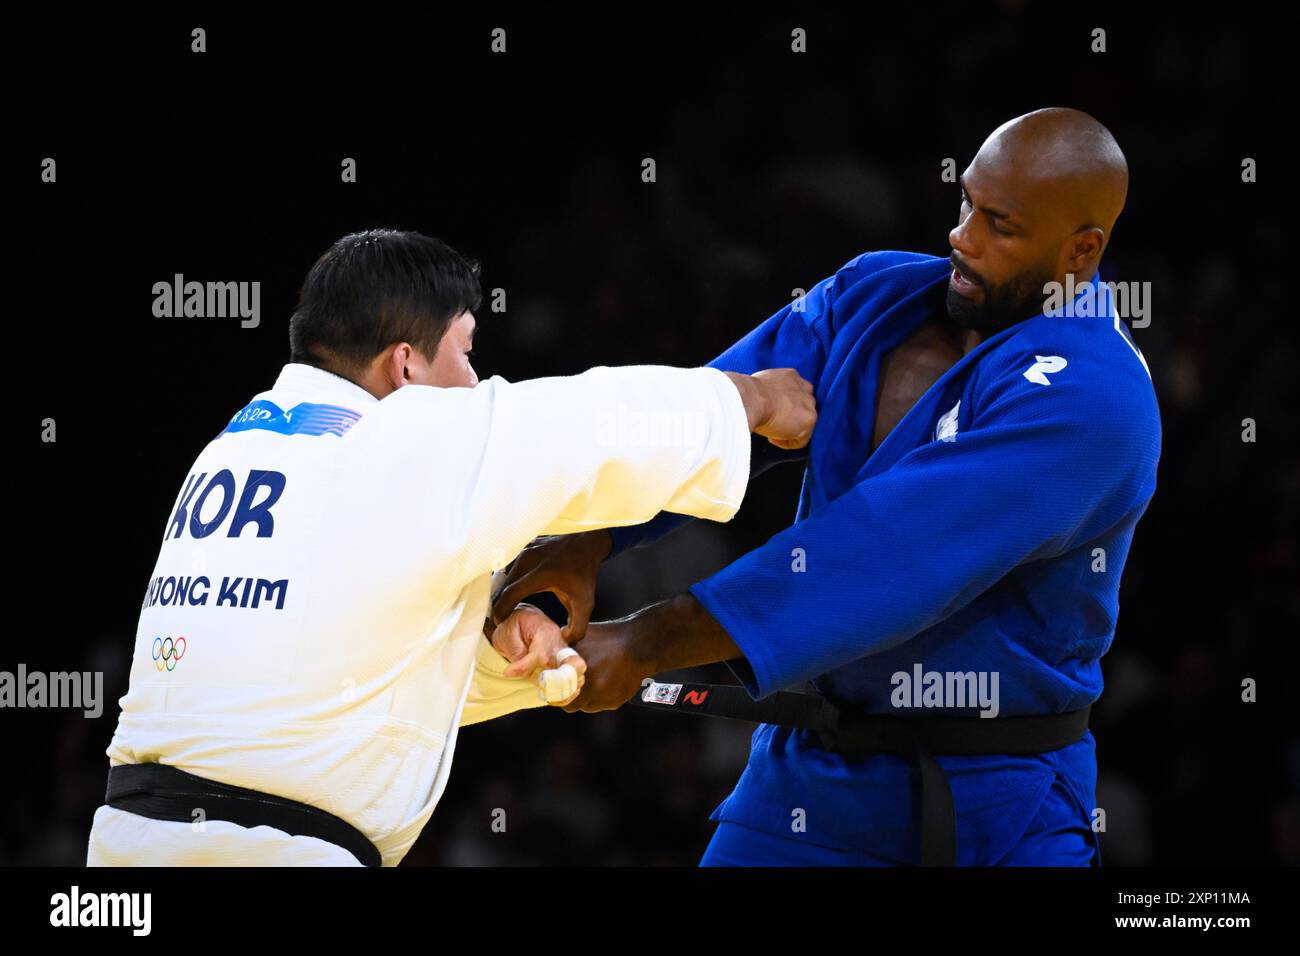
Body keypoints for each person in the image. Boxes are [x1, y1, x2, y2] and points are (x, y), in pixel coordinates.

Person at [491, 108, 1161, 866]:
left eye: (1000, 226)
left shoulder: (1097, 397)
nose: (963, 237)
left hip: (1000, 804)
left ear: (1083, 250)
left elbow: (885, 553)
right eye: (966, 202)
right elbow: (712, 416)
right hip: (808, 779)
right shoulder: (871, 294)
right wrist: (585, 543)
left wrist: (646, 641)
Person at [86, 228, 817, 866]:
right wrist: (747, 399)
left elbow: (335, 674)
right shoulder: (388, 436)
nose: (474, 379)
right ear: (404, 365)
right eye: (467, 351)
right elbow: (580, 423)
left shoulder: (238, 454)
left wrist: (507, 657)